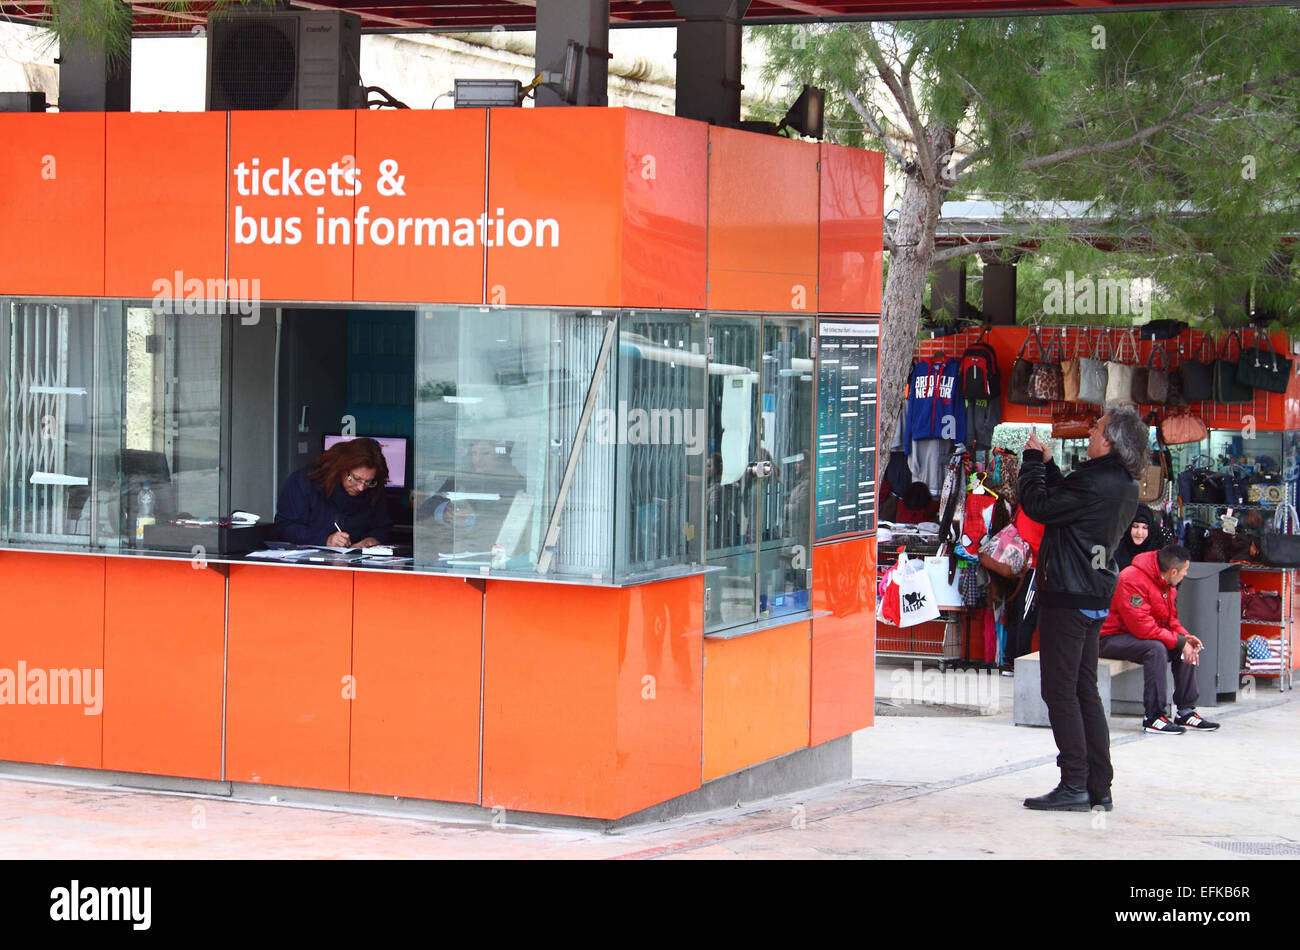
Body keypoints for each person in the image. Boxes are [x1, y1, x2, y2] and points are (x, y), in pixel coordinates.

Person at [1017, 406, 1146, 812]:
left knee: (1061, 690)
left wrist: (1033, 463)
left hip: (1070, 595)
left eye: (1097, 427)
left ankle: (1074, 782)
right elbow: (1065, 507)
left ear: (1110, 439)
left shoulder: (1095, 480)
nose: (1091, 432)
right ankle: (1097, 785)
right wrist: (1051, 468)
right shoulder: (1121, 482)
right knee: (1082, 689)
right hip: (1092, 594)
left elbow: (1039, 505)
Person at [1100, 543, 1220, 734]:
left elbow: (1170, 620)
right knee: (1156, 649)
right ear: (1173, 571)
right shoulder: (1132, 579)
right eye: (1184, 571)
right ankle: (1153, 717)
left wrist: (1184, 637)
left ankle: (1186, 711)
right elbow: (1142, 627)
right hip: (1110, 638)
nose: (1185, 575)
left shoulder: (1167, 585)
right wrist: (1179, 641)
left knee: (1183, 644)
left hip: (1136, 635)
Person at [275, 437, 392, 547]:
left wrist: (373, 539)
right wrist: (325, 540)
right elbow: (285, 526)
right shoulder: (305, 482)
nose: (361, 487)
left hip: (356, 561)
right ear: (341, 468)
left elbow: (383, 526)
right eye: (356, 479)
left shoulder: (373, 488)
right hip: (308, 562)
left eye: (368, 482)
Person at [1114, 504, 1159, 571]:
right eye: (1135, 526)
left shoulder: (1157, 554)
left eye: (1145, 528)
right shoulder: (1116, 550)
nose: (1139, 532)